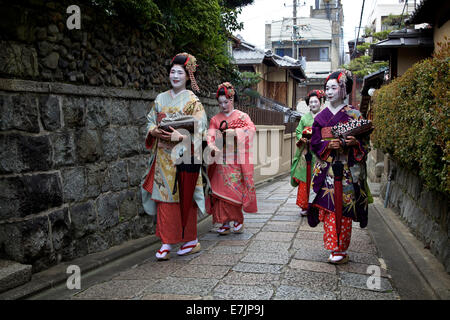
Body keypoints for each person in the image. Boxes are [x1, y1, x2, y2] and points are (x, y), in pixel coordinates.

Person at [141, 52, 207, 260]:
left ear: (188, 77)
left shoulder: (192, 100)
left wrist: (181, 135)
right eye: (172, 72)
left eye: (180, 72)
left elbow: (201, 125)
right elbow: (150, 119)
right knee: (165, 200)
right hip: (163, 157)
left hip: (184, 155)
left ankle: (190, 240)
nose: (175, 75)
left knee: (186, 197)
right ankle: (166, 242)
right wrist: (152, 131)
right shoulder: (160, 98)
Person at [307, 70, 372, 265]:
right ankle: (333, 246)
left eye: (334, 88)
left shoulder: (354, 114)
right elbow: (315, 143)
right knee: (328, 208)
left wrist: (354, 143)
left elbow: (365, 144)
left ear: (344, 89)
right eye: (327, 88)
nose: (329, 92)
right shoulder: (321, 117)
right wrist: (328, 145)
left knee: (344, 208)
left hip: (346, 170)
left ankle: (340, 248)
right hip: (326, 169)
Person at [205, 82, 257, 235]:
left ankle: (238, 219)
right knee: (220, 191)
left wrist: (236, 133)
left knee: (235, 191)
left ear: (232, 99)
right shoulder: (215, 119)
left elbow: (251, 130)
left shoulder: (242, 116)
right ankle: (225, 221)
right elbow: (211, 135)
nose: (223, 105)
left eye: (226, 102)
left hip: (237, 159)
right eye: (220, 103)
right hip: (221, 159)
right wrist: (211, 145)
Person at [291, 90, 324, 216]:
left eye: (316, 101)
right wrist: (302, 139)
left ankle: (319, 207)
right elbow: (299, 131)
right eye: (311, 102)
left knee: (319, 179)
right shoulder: (304, 118)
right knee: (305, 180)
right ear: (308, 104)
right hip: (306, 152)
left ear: (320, 103)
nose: (313, 104)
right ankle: (305, 206)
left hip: (320, 153)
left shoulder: (324, 116)